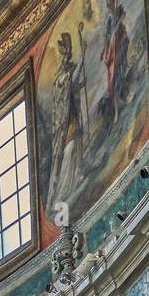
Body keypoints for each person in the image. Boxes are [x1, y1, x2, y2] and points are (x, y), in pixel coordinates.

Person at [46, 30, 85, 213]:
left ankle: (76, 175)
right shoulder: (62, 72)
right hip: (64, 118)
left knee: (75, 140)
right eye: (63, 46)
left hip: (72, 113)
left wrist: (76, 85)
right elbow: (60, 91)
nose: (65, 50)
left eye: (65, 46)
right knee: (68, 148)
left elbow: (72, 86)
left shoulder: (69, 69)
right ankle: (63, 189)